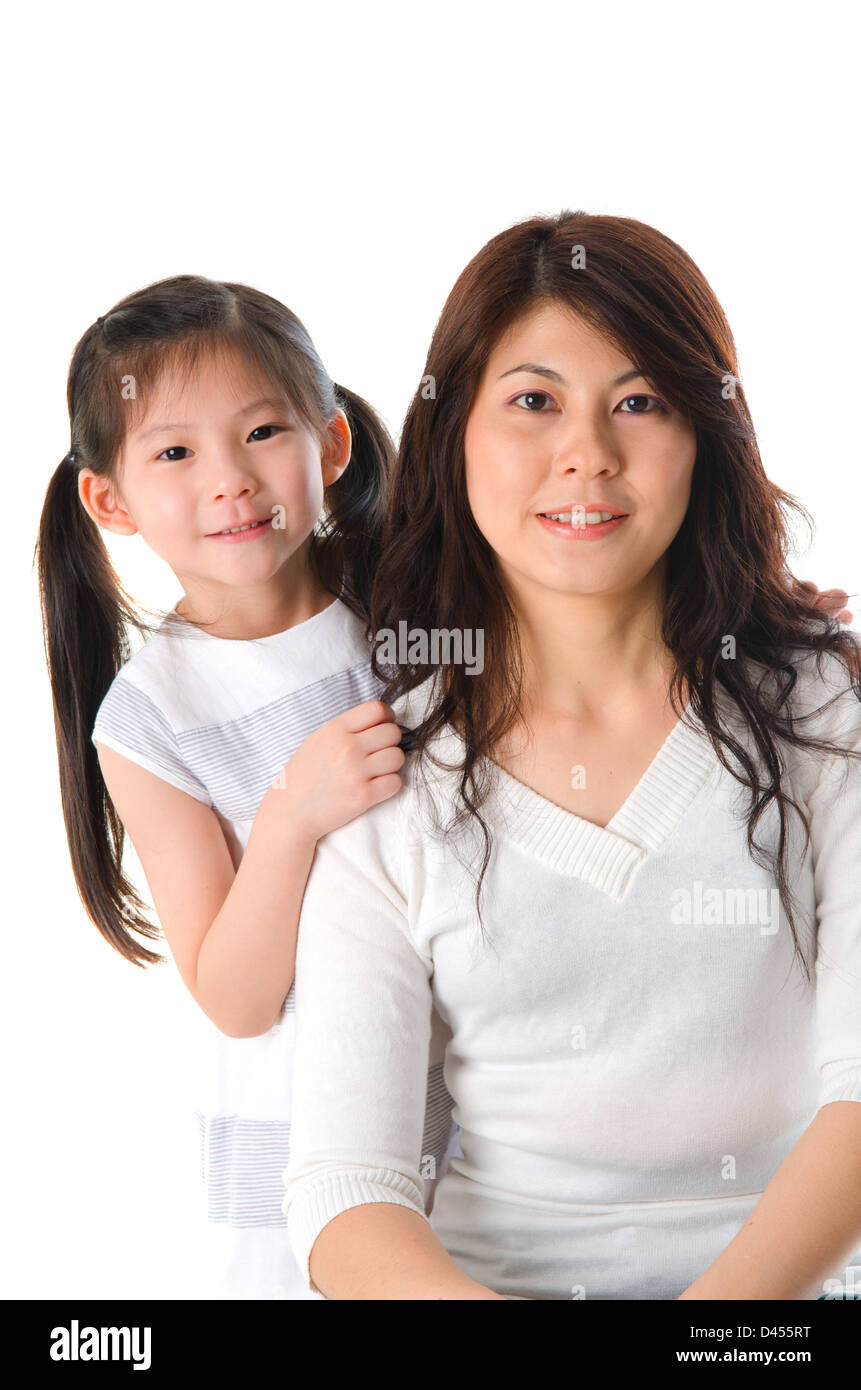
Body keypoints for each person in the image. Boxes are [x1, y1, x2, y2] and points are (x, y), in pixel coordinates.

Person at [282, 210, 861, 1300]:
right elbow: (344, 1186)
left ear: (708, 436)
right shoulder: (382, 776)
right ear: (455, 434)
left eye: (639, 402)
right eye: (534, 401)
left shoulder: (825, 711)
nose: (587, 454)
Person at [35, 275, 458, 1299]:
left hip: (474, 1092)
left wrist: (752, 622)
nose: (229, 479)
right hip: (301, 1138)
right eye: (175, 452)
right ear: (112, 500)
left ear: (333, 442)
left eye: (264, 432)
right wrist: (291, 817)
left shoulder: (414, 600)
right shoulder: (152, 713)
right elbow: (233, 994)